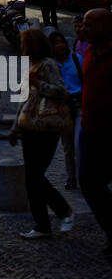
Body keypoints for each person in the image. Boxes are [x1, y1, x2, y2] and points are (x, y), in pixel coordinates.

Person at [7, 28, 73, 239]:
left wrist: (39, 84)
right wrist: (15, 128)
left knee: (34, 176)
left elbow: (61, 91)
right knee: (32, 177)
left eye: (23, 43)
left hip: (46, 126)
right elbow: (25, 100)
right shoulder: (33, 66)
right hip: (30, 126)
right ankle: (42, 224)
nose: (21, 47)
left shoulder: (49, 64)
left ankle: (60, 212)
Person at [77, 8, 112, 258]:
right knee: (89, 184)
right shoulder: (88, 50)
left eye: (89, 25)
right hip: (90, 129)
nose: (83, 28)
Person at [50, 30, 82, 189]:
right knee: (68, 146)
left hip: (79, 104)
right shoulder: (50, 65)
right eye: (56, 43)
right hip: (63, 107)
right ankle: (71, 177)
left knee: (80, 143)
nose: (60, 45)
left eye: (61, 41)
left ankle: (85, 175)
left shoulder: (77, 59)